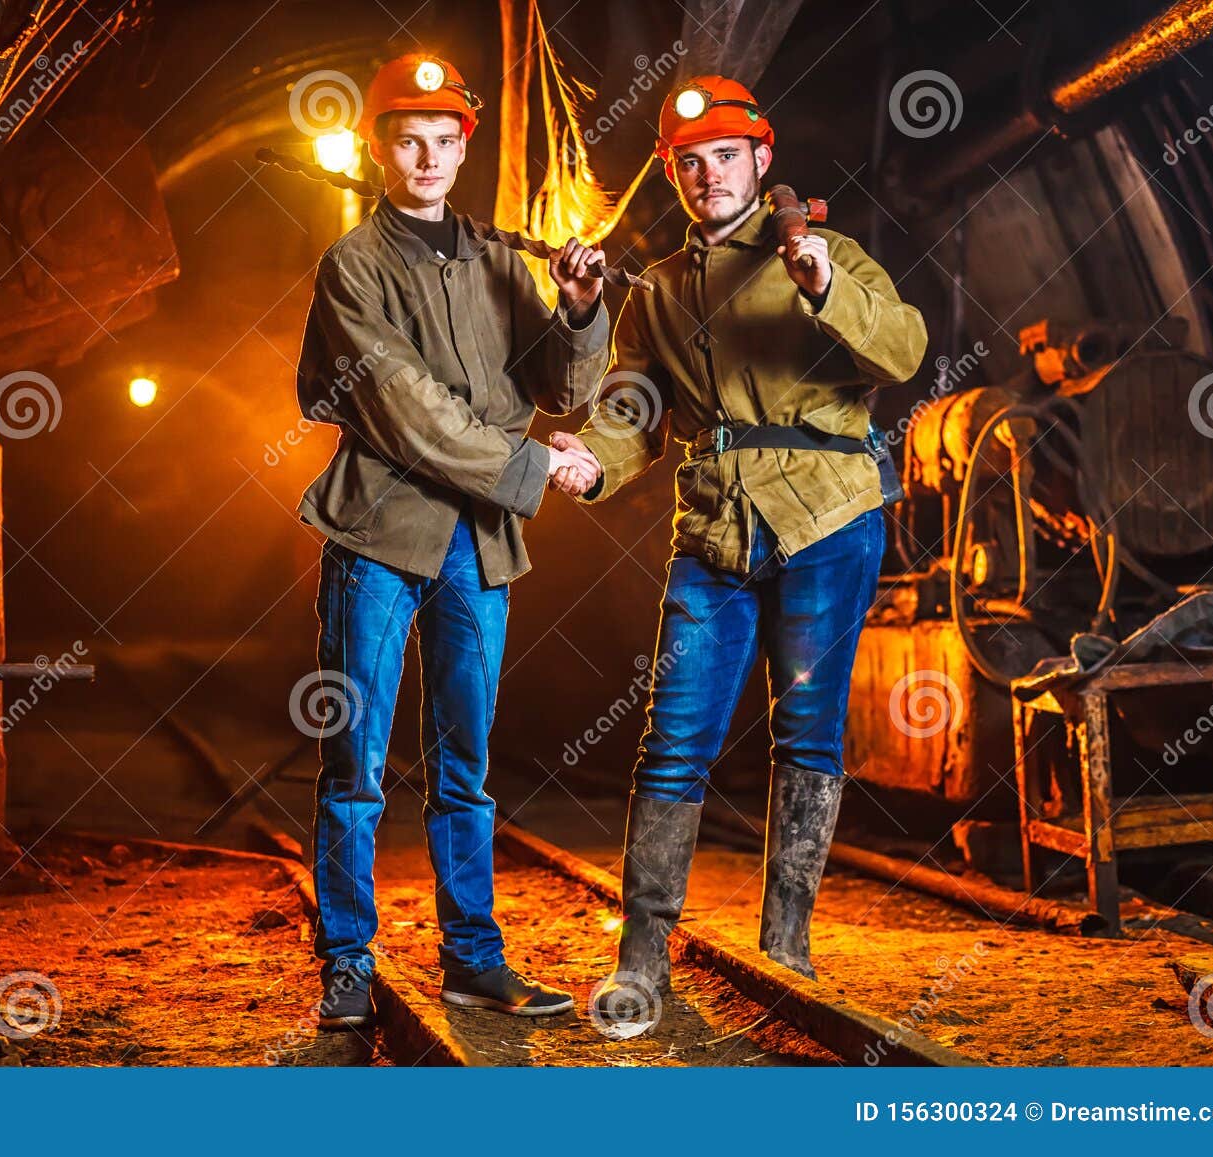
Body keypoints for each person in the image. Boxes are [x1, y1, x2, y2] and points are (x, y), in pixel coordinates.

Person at [548, 76, 927, 1034]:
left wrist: (827, 291)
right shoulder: (660, 292)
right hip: (714, 531)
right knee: (673, 739)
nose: (705, 174)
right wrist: (593, 457)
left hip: (827, 523)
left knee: (808, 737)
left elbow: (906, 350)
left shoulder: (821, 253)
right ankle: (641, 958)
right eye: (688, 161)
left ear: (762, 160)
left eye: (724, 156)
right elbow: (634, 410)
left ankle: (787, 945)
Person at [294, 54, 608, 1030]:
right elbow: (402, 407)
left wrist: (582, 306)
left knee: (464, 763)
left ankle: (473, 959)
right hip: (380, 536)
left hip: (476, 547)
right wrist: (531, 470)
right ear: (379, 147)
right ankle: (347, 960)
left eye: (443, 138)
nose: (426, 155)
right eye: (406, 137)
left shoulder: (503, 258)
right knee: (357, 762)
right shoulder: (354, 263)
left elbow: (565, 388)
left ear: (462, 147)